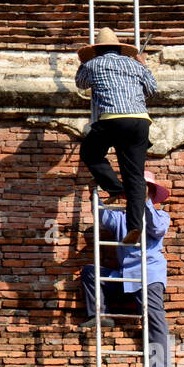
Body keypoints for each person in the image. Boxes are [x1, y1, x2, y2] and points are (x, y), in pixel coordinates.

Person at [79, 170, 172, 367]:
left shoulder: (160, 216)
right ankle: (100, 314)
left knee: (154, 318)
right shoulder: (121, 218)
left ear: (149, 192)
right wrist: (93, 190)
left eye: (142, 189)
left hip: (149, 276)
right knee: (90, 273)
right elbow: (101, 215)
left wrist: (142, 200)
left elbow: (156, 229)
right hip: (125, 276)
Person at [75, 27, 158, 246]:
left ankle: (115, 188)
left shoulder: (93, 64)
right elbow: (152, 90)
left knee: (91, 153)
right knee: (135, 176)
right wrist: (144, 65)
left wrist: (85, 63)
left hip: (113, 119)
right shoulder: (133, 64)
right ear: (119, 48)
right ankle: (135, 227)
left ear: (98, 50)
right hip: (140, 121)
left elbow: (81, 84)